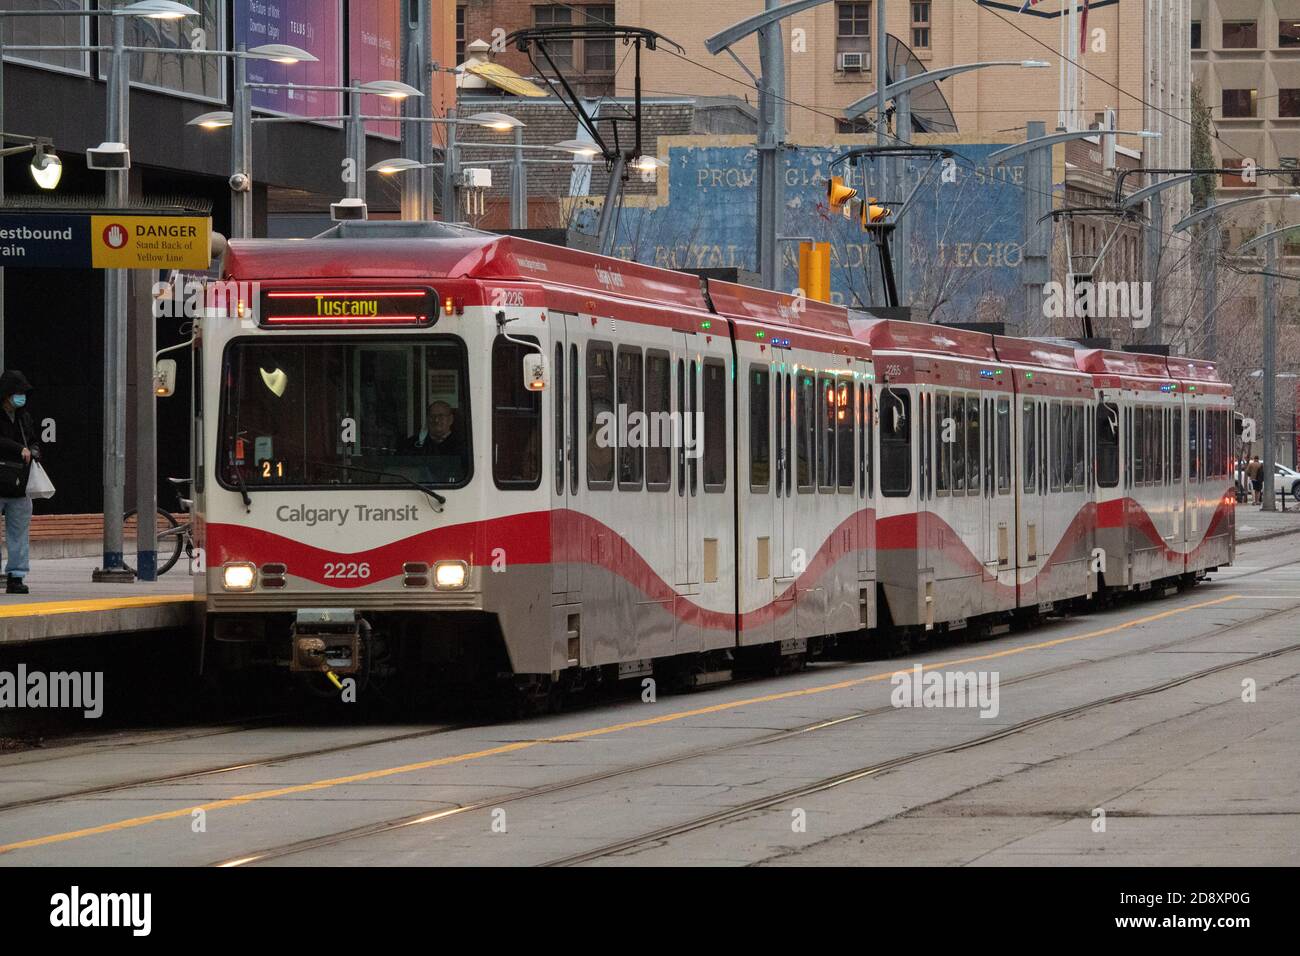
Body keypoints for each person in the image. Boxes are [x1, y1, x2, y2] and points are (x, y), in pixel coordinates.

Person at [0, 370, 40, 594]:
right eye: (16, 393)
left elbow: (33, 440)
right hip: (3, 477)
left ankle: (16, 575)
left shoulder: (24, 417)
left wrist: (34, 450)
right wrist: (19, 449)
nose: (21, 397)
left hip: (19, 483)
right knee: (16, 531)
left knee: (19, 532)